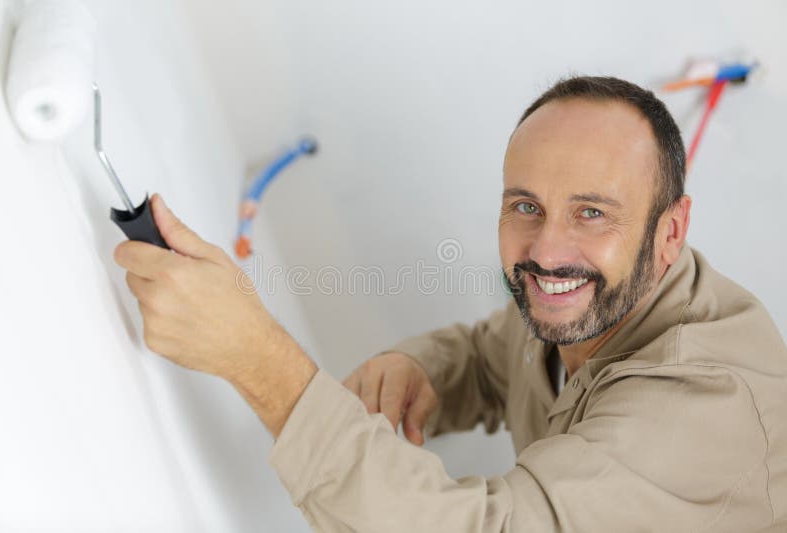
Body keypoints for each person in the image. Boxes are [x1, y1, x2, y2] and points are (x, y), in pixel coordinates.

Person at [113, 76, 787, 532]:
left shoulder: (702, 401)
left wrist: (257, 361)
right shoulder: (594, 304)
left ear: (670, 231)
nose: (547, 251)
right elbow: (493, 356)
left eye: (592, 212)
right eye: (526, 206)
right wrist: (421, 369)